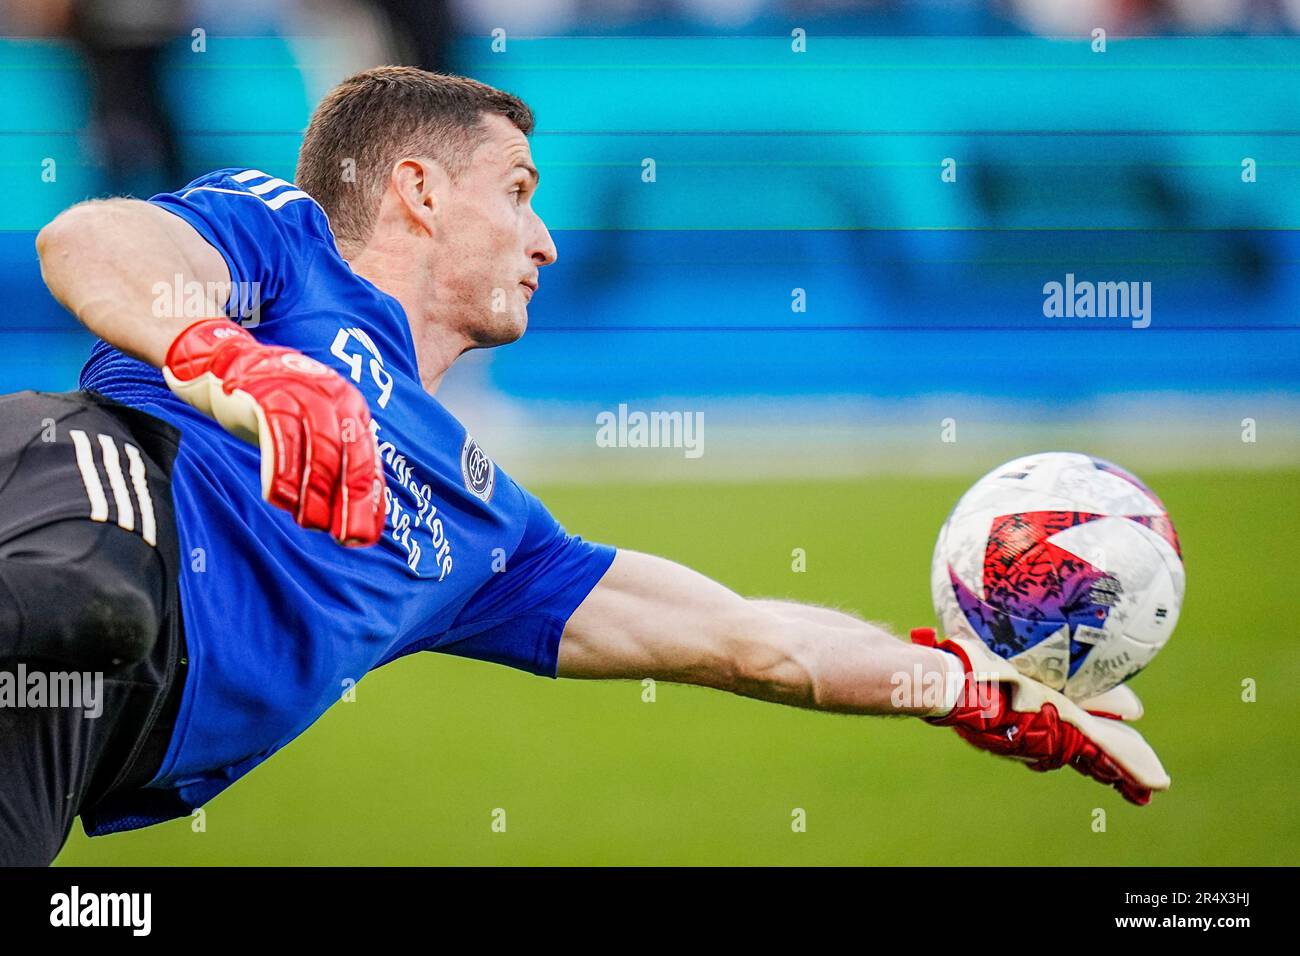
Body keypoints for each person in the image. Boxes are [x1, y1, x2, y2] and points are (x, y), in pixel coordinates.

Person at [11, 67, 1167, 866]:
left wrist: (962, 686)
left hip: (86, 728)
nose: (546, 238)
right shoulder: (291, 245)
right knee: (95, 606)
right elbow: (94, 237)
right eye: (517, 191)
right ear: (416, 189)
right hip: (87, 511)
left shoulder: (489, 536)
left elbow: (747, 637)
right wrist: (225, 354)